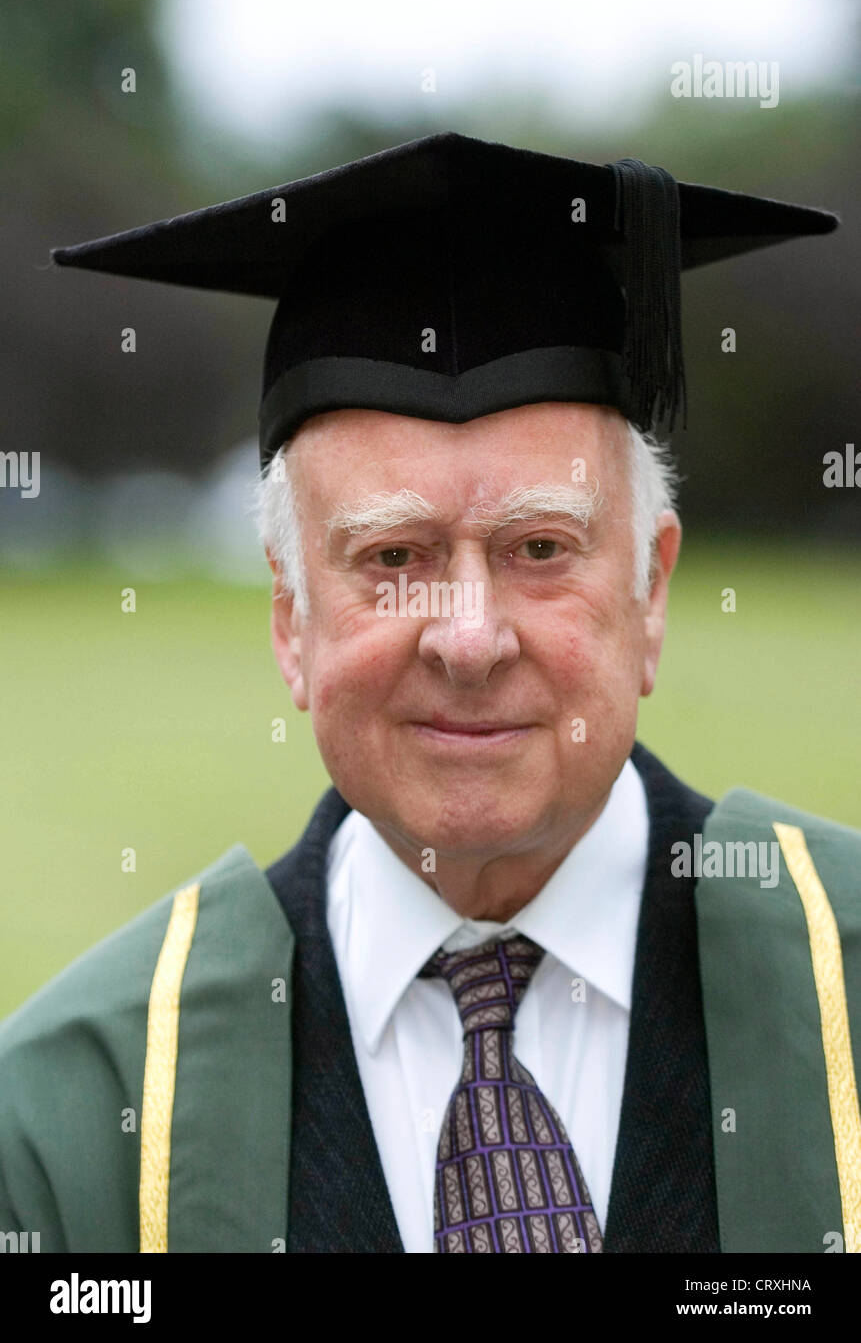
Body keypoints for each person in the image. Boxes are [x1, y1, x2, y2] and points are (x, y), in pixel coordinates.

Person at [0, 133, 857, 1255]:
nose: (467, 636)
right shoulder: (74, 1120)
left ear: (650, 591)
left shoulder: (837, 981)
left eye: (541, 546)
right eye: (392, 557)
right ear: (289, 620)